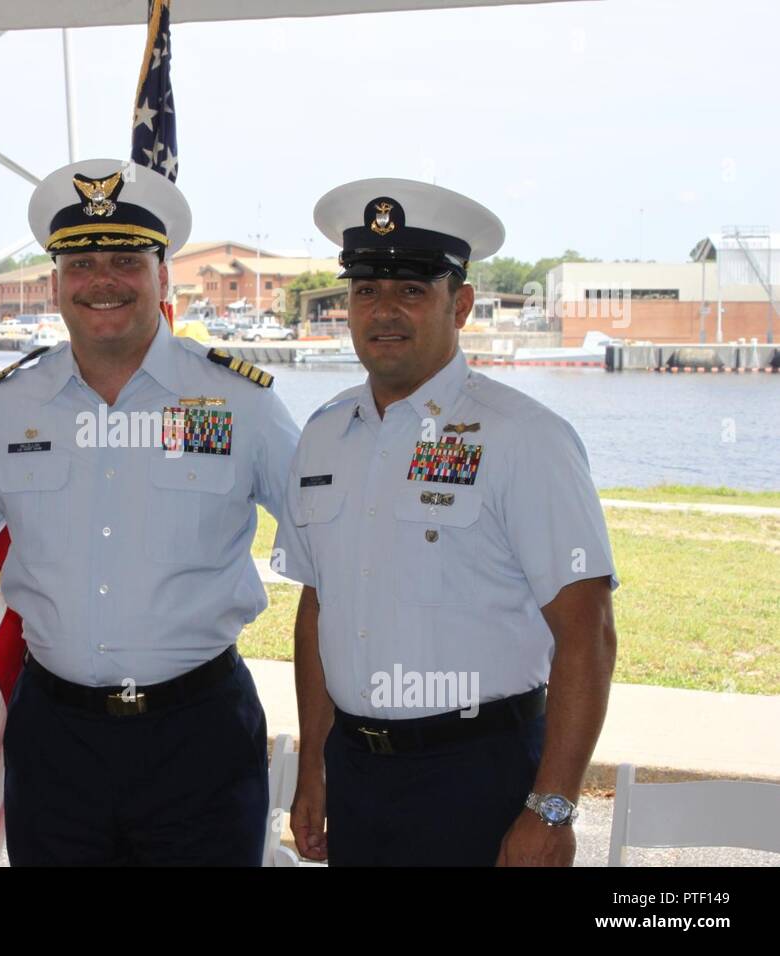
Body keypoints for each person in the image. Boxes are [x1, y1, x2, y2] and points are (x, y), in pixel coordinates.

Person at [0, 159, 301, 865]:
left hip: (198, 734)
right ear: (55, 285)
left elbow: (332, 538)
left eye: (126, 260)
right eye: (81, 263)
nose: (102, 279)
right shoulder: (11, 406)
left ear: (163, 277)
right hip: (56, 737)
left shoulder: (241, 403)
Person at [275, 178, 618, 866]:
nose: (384, 312)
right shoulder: (322, 435)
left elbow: (589, 632)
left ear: (459, 303)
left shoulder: (526, 438)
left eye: (411, 290)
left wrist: (552, 808)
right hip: (358, 775)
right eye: (367, 290)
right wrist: (313, 764)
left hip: (481, 774)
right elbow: (318, 608)